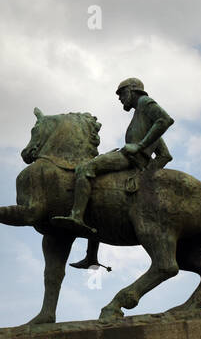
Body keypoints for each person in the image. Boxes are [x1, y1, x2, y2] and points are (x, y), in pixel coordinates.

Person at [53, 77, 173, 260]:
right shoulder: (144, 120)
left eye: (122, 93)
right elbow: (165, 155)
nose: (120, 98)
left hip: (128, 158)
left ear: (133, 90)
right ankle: (91, 257)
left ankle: (76, 216)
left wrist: (139, 147)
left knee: (85, 169)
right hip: (135, 162)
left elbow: (165, 119)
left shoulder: (145, 102)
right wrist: (146, 173)